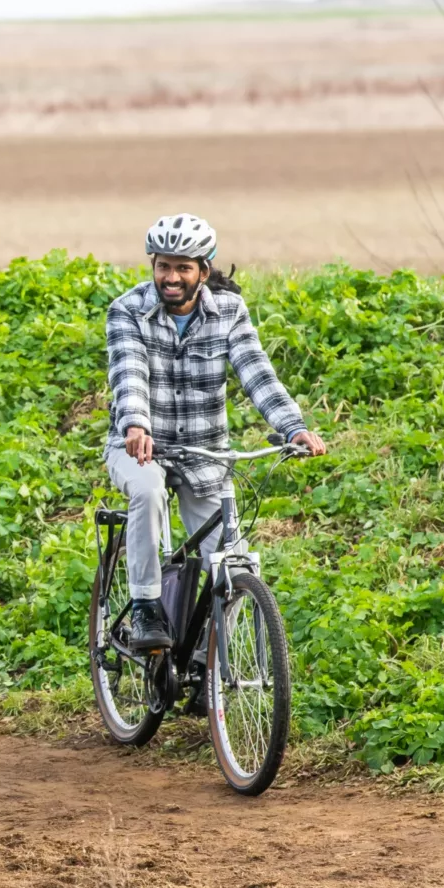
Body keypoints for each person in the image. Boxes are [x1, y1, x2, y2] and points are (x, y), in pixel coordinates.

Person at [105, 213, 328, 651]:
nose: (171, 277)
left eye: (182, 268)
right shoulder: (127, 310)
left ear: (203, 271)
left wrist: (293, 428)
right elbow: (128, 372)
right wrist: (135, 423)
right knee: (148, 491)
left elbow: (257, 374)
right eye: (163, 266)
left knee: (234, 565)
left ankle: (209, 658)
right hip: (140, 447)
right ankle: (146, 605)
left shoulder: (228, 312)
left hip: (205, 454)